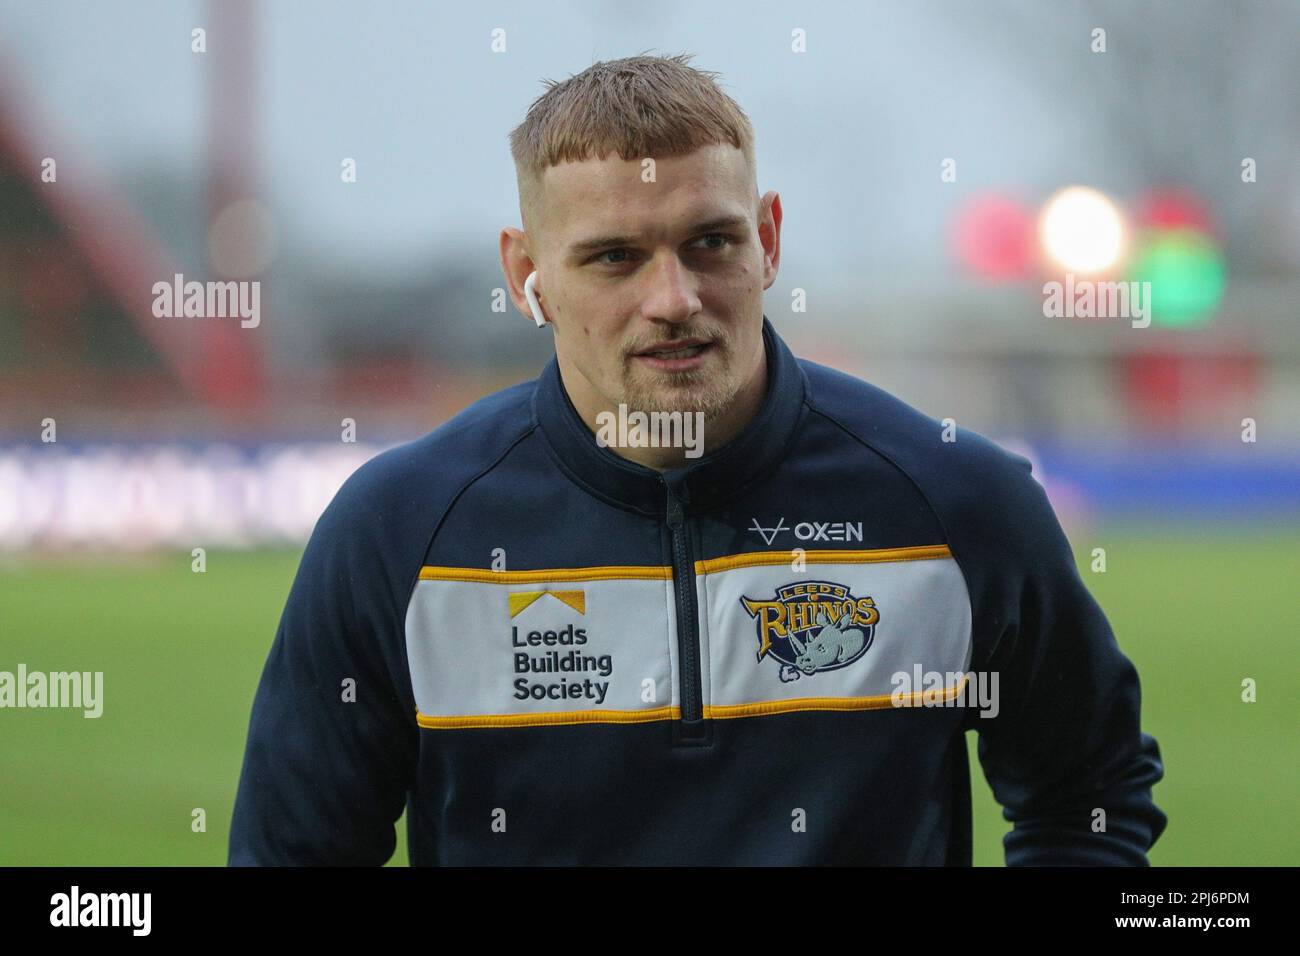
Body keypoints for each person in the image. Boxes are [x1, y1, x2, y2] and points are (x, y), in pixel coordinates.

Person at [229, 52, 1166, 865]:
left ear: (767, 240)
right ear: (528, 276)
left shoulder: (959, 503)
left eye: (709, 242)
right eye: (613, 258)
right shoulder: (397, 534)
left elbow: (1089, 795)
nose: (674, 297)